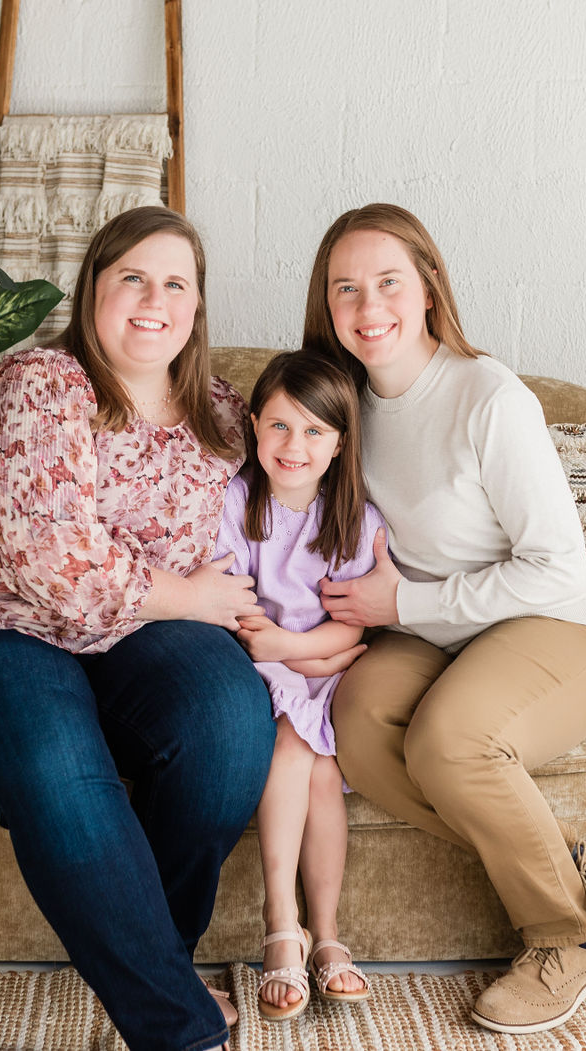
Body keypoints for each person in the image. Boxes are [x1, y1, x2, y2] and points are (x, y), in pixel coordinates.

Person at [0, 206, 274, 1051]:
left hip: (134, 640)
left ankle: (157, 961)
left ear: (198, 304)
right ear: (92, 287)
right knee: (59, 762)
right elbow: (52, 561)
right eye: (132, 277)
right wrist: (190, 596)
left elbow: (299, 500)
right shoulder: (40, 383)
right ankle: (177, 1024)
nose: (154, 300)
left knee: (229, 720)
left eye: (175, 283)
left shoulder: (222, 413)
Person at [300, 204, 586, 1036]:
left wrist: (402, 604)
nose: (368, 306)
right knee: (355, 725)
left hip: (550, 630)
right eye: (346, 289)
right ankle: (581, 861)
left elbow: (554, 566)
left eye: (389, 282)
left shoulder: (488, 396)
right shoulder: (342, 405)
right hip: (427, 639)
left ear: (429, 287)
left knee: (449, 741)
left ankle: (570, 933)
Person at [213, 351, 383, 1021]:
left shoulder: (356, 517)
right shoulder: (236, 501)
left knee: (323, 773)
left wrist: (302, 650)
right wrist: (286, 652)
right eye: (280, 425)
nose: (294, 445)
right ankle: (281, 921)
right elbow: (235, 605)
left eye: (315, 431)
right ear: (255, 424)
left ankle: (326, 932)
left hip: (321, 664)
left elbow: (357, 624)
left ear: (340, 443)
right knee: (291, 746)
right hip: (262, 663)